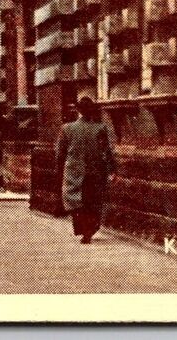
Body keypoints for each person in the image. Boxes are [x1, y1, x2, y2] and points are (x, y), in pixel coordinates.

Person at [56, 97, 115, 244]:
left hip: (74, 172)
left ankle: (84, 230)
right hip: (95, 172)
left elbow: (60, 153)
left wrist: (59, 170)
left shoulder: (67, 128)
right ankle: (89, 230)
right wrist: (112, 169)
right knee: (93, 202)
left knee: (76, 202)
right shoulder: (100, 128)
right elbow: (107, 151)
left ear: (79, 111)